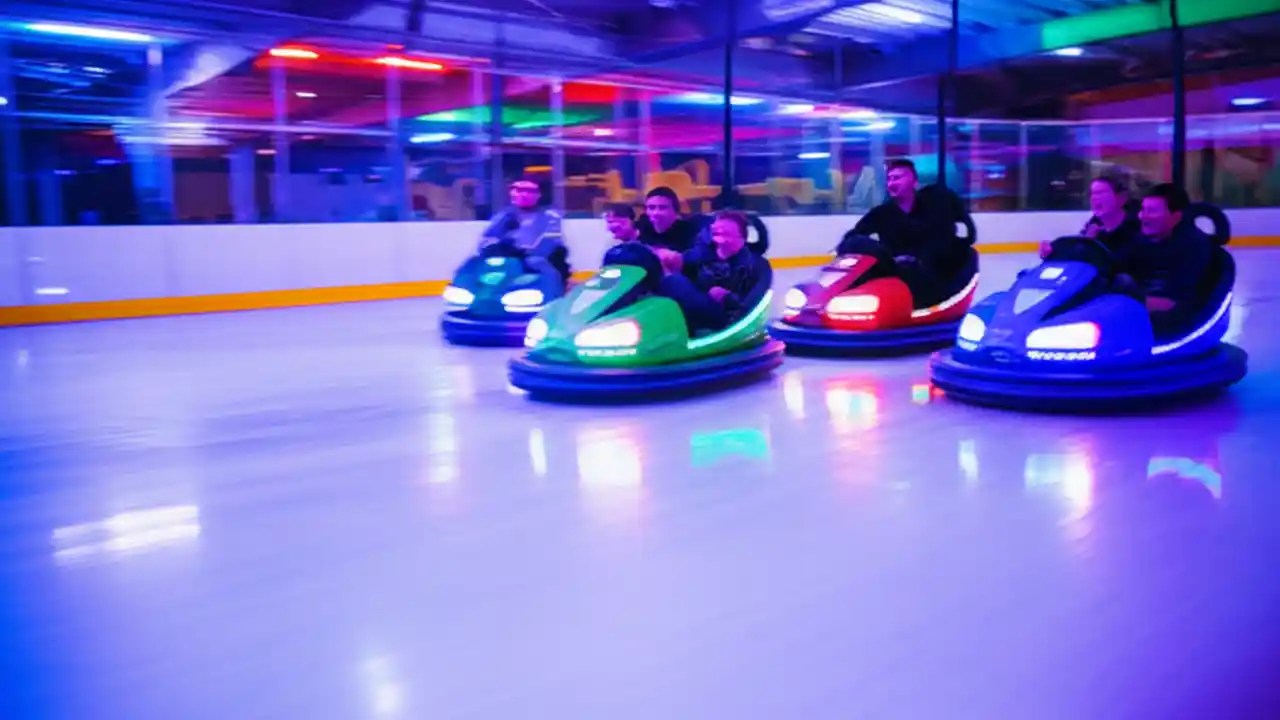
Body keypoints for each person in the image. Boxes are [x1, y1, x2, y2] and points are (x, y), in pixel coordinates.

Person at [839, 158, 970, 294]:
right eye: (889, 179)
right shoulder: (881, 213)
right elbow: (854, 235)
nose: (891, 183)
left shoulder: (933, 211)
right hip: (893, 277)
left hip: (928, 278)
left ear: (913, 181)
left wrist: (917, 260)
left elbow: (943, 245)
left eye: (897, 178)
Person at [652, 210, 772, 334]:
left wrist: (727, 297)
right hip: (698, 311)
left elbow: (754, 304)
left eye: (727, 231)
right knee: (667, 280)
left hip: (728, 318)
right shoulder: (700, 256)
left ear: (742, 237)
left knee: (674, 282)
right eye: (717, 231)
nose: (721, 233)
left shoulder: (757, 264)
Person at [1116, 183, 1213, 336]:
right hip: (1146, 301)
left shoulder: (1193, 246)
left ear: (1176, 217)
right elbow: (1117, 266)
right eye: (1143, 210)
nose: (1143, 216)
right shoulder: (1143, 240)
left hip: (1177, 319)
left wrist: (1126, 305)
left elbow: (1176, 303)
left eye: (1152, 211)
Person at [479, 176, 570, 282]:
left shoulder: (550, 217)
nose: (524, 195)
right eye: (519, 191)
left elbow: (551, 241)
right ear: (511, 194)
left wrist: (525, 252)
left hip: (540, 262)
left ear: (538, 195)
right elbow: (488, 240)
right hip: (508, 262)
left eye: (530, 191)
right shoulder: (503, 217)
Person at [1040, 175, 1141, 258]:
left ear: (1121, 198)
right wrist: (1052, 253)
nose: (1094, 198)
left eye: (1101, 193)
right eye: (1093, 194)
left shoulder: (1136, 228)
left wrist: (1091, 243)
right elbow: (1077, 253)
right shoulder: (1094, 224)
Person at [636, 186, 700, 251]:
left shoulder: (689, 232)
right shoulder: (641, 228)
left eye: (662, 208)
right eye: (651, 208)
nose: (656, 213)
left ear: (676, 211)